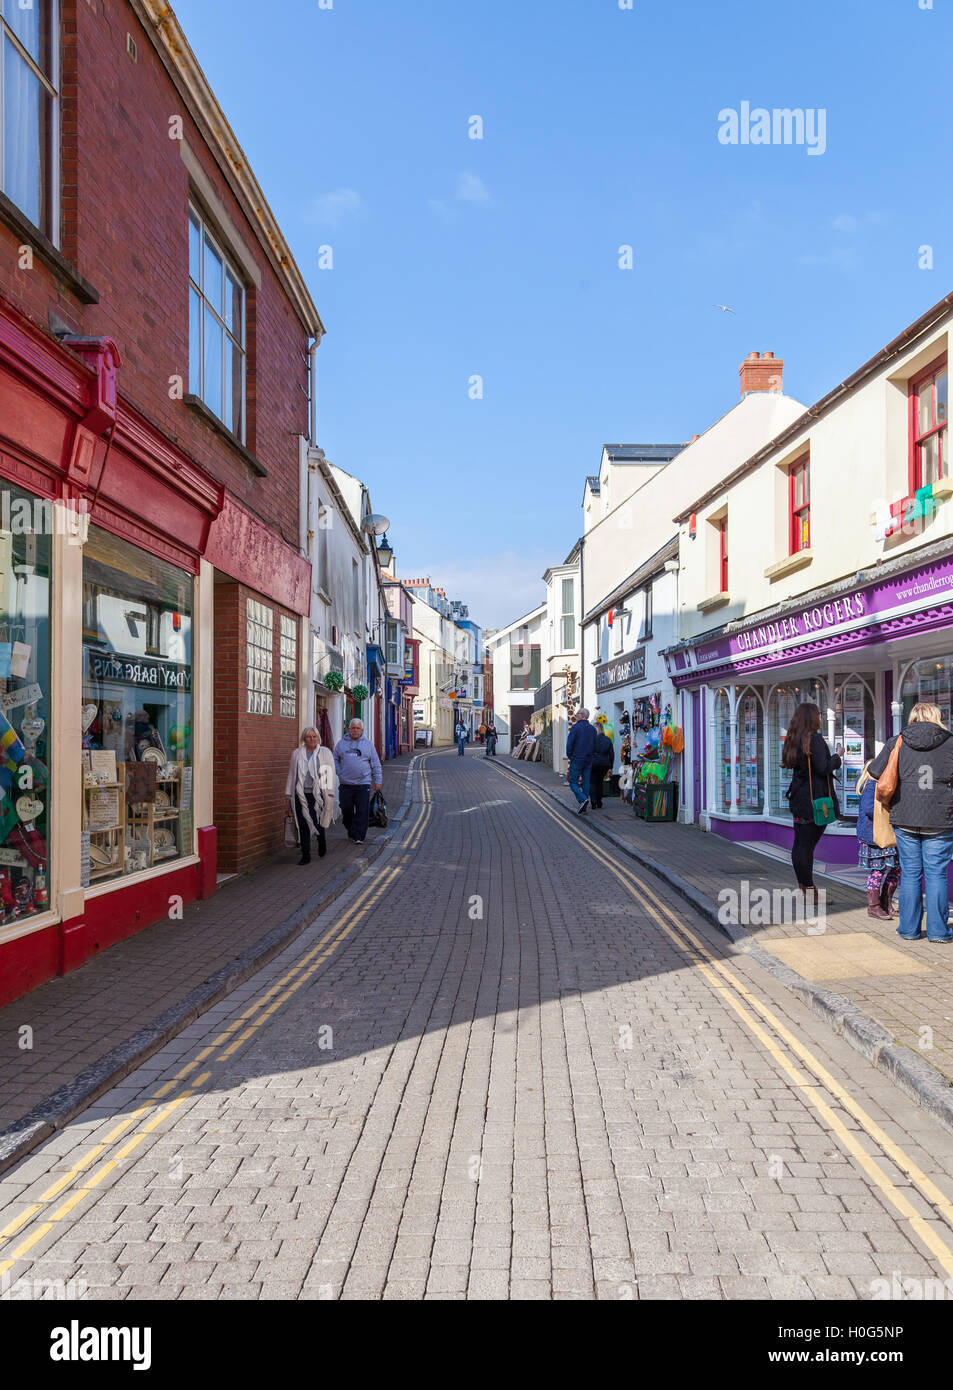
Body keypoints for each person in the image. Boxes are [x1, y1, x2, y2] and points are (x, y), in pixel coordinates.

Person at [868, 703, 953, 943]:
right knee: (936, 874)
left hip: (904, 817)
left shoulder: (898, 741)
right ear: (937, 717)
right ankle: (938, 932)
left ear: (912, 717)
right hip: (940, 818)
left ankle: (908, 929)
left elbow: (875, 772)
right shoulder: (949, 742)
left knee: (911, 874)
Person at [781, 702, 842, 906]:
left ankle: (804, 888)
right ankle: (809, 891)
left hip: (799, 798)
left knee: (800, 845)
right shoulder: (814, 739)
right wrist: (837, 757)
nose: (821, 718)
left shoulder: (794, 739)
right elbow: (823, 768)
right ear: (812, 718)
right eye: (819, 714)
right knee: (806, 847)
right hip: (814, 801)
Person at [855, 761, 901, 920]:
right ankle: (873, 906)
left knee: (896, 867)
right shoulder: (872, 785)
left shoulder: (874, 784)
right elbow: (870, 809)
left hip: (881, 834)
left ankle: (885, 902)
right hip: (874, 836)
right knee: (878, 870)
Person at [285, 727, 336, 865]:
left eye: (314, 736)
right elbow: (292, 774)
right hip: (300, 794)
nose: (311, 739)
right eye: (308, 737)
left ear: (318, 738)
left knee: (317, 820)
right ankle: (305, 854)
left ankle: (321, 840)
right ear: (304, 738)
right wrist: (288, 793)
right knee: (302, 823)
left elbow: (328, 774)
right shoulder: (296, 754)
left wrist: (329, 794)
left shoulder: (325, 752)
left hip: (319, 794)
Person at [333, 718, 383, 845]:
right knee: (346, 810)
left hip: (363, 784)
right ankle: (351, 829)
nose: (355, 730)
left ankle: (359, 836)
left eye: (357, 728)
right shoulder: (341, 744)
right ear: (348, 729)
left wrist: (378, 781)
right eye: (353, 728)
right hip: (346, 784)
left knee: (362, 810)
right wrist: (340, 772)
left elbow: (376, 764)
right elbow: (334, 759)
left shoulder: (368, 744)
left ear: (362, 730)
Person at [566, 706, 596, 815]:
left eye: (577, 713)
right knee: (586, 781)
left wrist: (570, 755)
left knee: (573, 782)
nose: (575, 715)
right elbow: (595, 745)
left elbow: (570, 744)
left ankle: (583, 799)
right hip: (589, 759)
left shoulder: (575, 727)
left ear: (582, 716)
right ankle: (584, 803)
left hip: (577, 758)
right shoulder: (593, 729)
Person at [590, 723, 614, 808]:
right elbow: (611, 754)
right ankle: (599, 802)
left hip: (593, 763)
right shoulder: (607, 740)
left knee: (592, 782)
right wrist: (611, 766)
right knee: (600, 782)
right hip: (604, 764)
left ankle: (593, 802)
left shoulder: (591, 739)